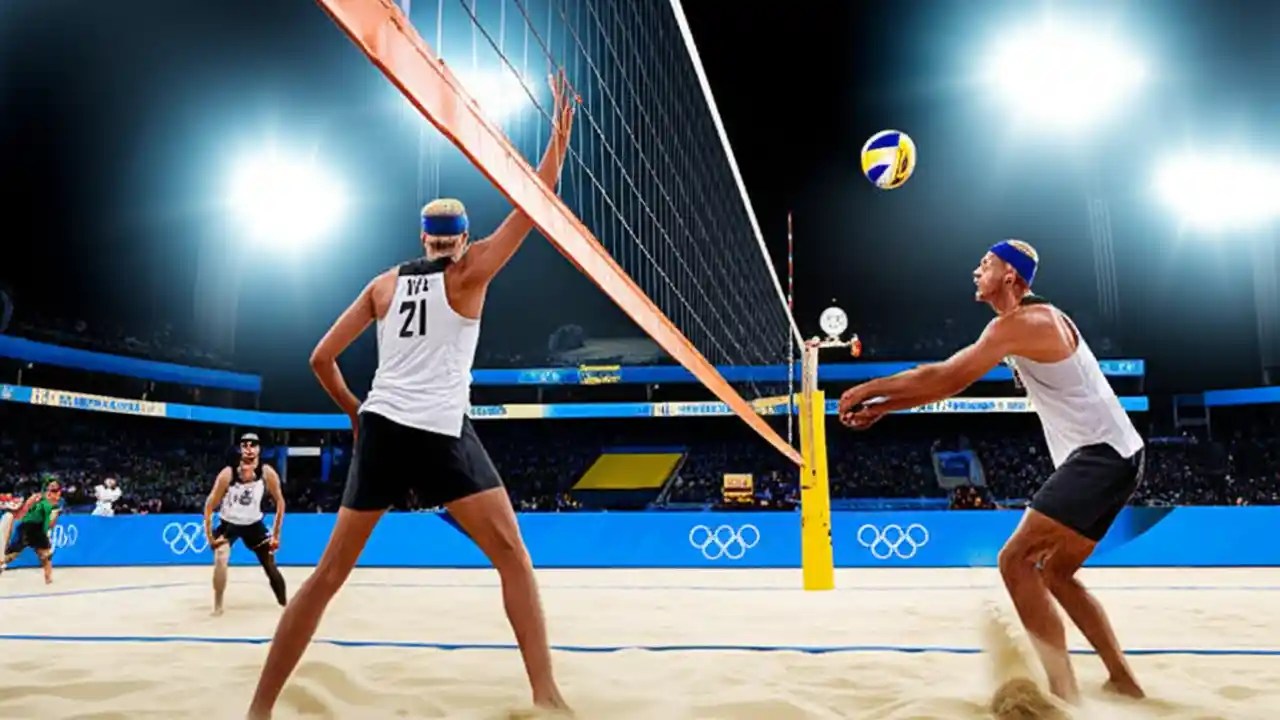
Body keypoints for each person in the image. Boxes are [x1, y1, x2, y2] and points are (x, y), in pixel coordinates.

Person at [246, 72, 576, 719]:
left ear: (422, 238)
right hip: (439, 430)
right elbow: (534, 206)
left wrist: (355, 413)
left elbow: (320, 359)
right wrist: (558, 140)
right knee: (513, 558)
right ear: (462, 237)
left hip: (383, 427)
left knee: (327, 577)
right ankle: (546, 695)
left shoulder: (383, 284)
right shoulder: (472, 270)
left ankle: (258, 710)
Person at [836, 240, 1145, 704]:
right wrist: (885, 406)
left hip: (1100, 456)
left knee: (1014, 561)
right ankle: (1122, 679)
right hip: (1120, 454)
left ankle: (1063, 695)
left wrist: (870, 390)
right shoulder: (1028, 324)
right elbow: (945, 385)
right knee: (1056, 573)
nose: (975, 271)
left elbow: (945, 376)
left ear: (1010, 276)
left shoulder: (1025, 322)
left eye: (985, 264)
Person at [204, 432, 288, 616]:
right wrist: (210, 537)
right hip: (229, 523)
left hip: (254, 524)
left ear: (259, 449)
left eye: (253, 445)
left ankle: (285, 604)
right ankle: (218, 606)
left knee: (270, 566)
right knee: (220, 558)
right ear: (240, 449)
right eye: (245, 445)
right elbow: (209, 505)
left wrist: (276, 535)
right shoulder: (228, 474)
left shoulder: (266, 473)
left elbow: (280, 502)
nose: (249, 449)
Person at [0, 479, 64, 584]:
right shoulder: (38, 497)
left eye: (55, 489)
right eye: (50, 488)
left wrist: (53, 519)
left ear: (59, 492)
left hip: (39, 530)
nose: (51, 491)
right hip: (27, 527)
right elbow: (25, 507)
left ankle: (48, 579)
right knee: (12, 555)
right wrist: (31, 502)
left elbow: (50, 524)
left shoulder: (56, 505)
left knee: (46, 556)